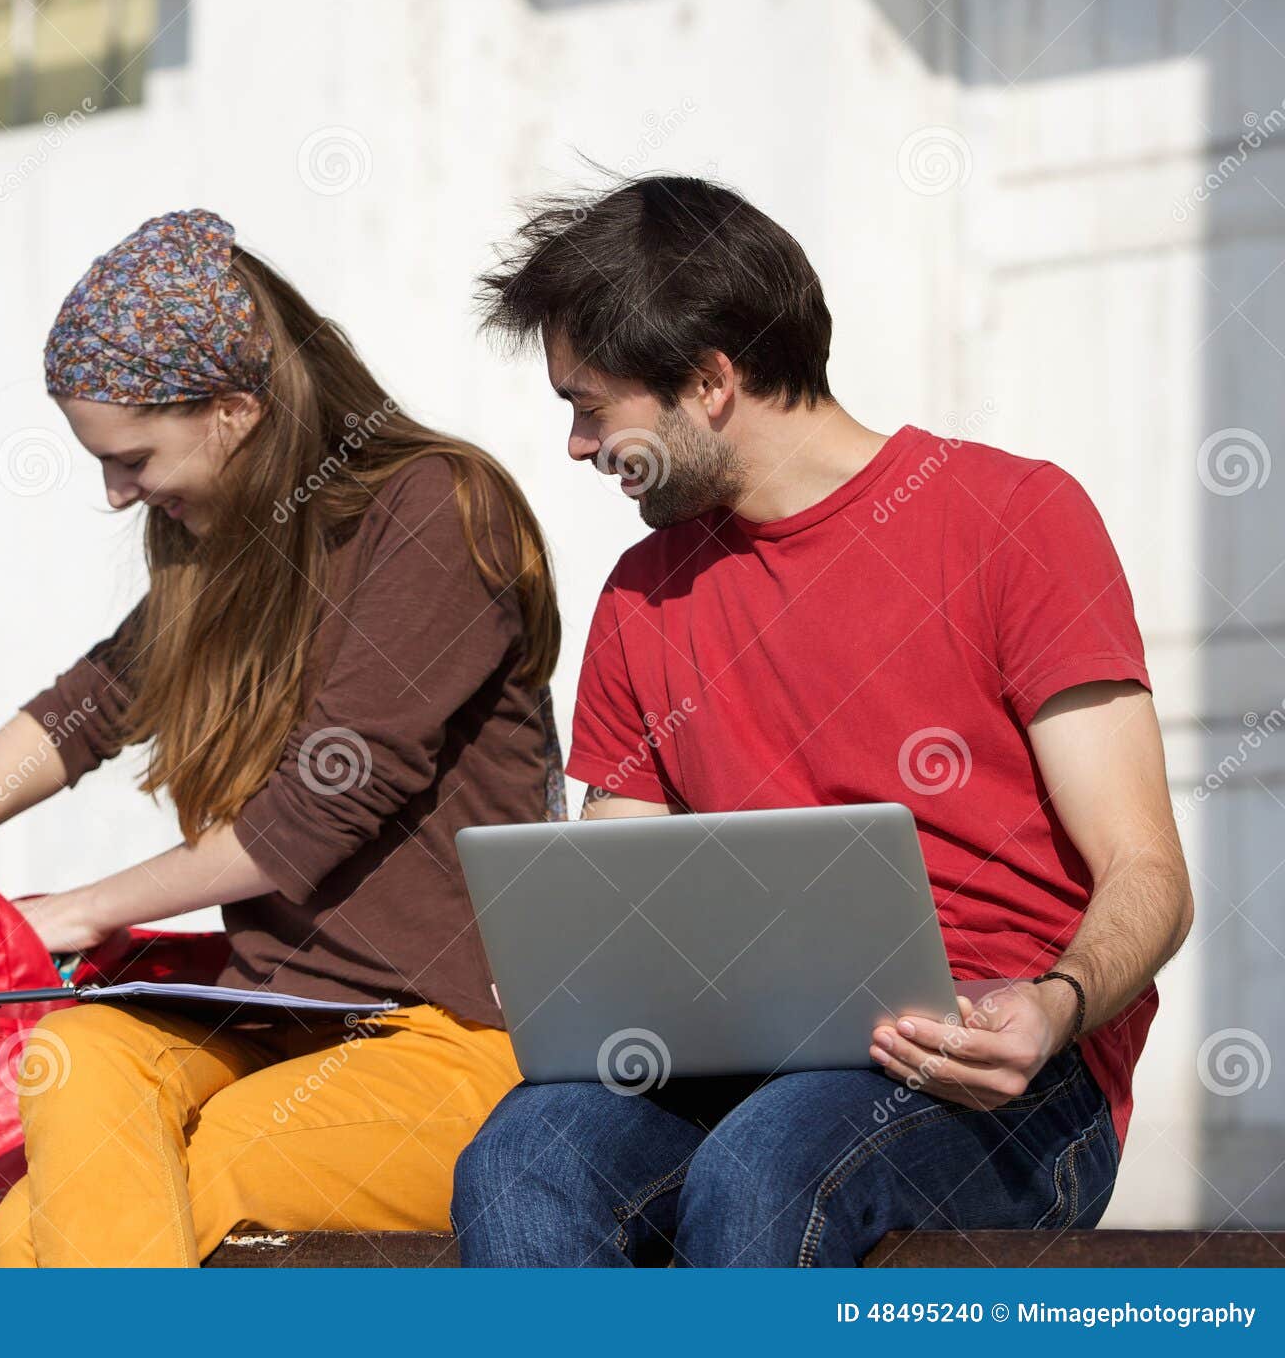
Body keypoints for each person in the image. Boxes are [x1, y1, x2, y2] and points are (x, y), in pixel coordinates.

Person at [449, 174, 1194, 1267]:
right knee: (519, 1162)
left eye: (590, 404)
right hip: (731, 1059)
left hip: (997, 1071)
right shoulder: (639, 595)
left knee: (767, 1169)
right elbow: (623, 876)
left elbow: (1147, 872)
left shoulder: (1012, 519)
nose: (573, 444)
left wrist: (1055, 1004)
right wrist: (572, 969)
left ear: (708, 381)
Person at [0, 209, 563, 1267]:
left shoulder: (436, 507)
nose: (117, 495)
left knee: (68, 1215)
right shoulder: (226, 550)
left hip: (457, 1043)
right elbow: (89, 705)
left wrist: (70, 912)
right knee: (78, 1052)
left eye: (131, 458)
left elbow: (320, 807)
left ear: (234, 410)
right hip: (275, 1024)